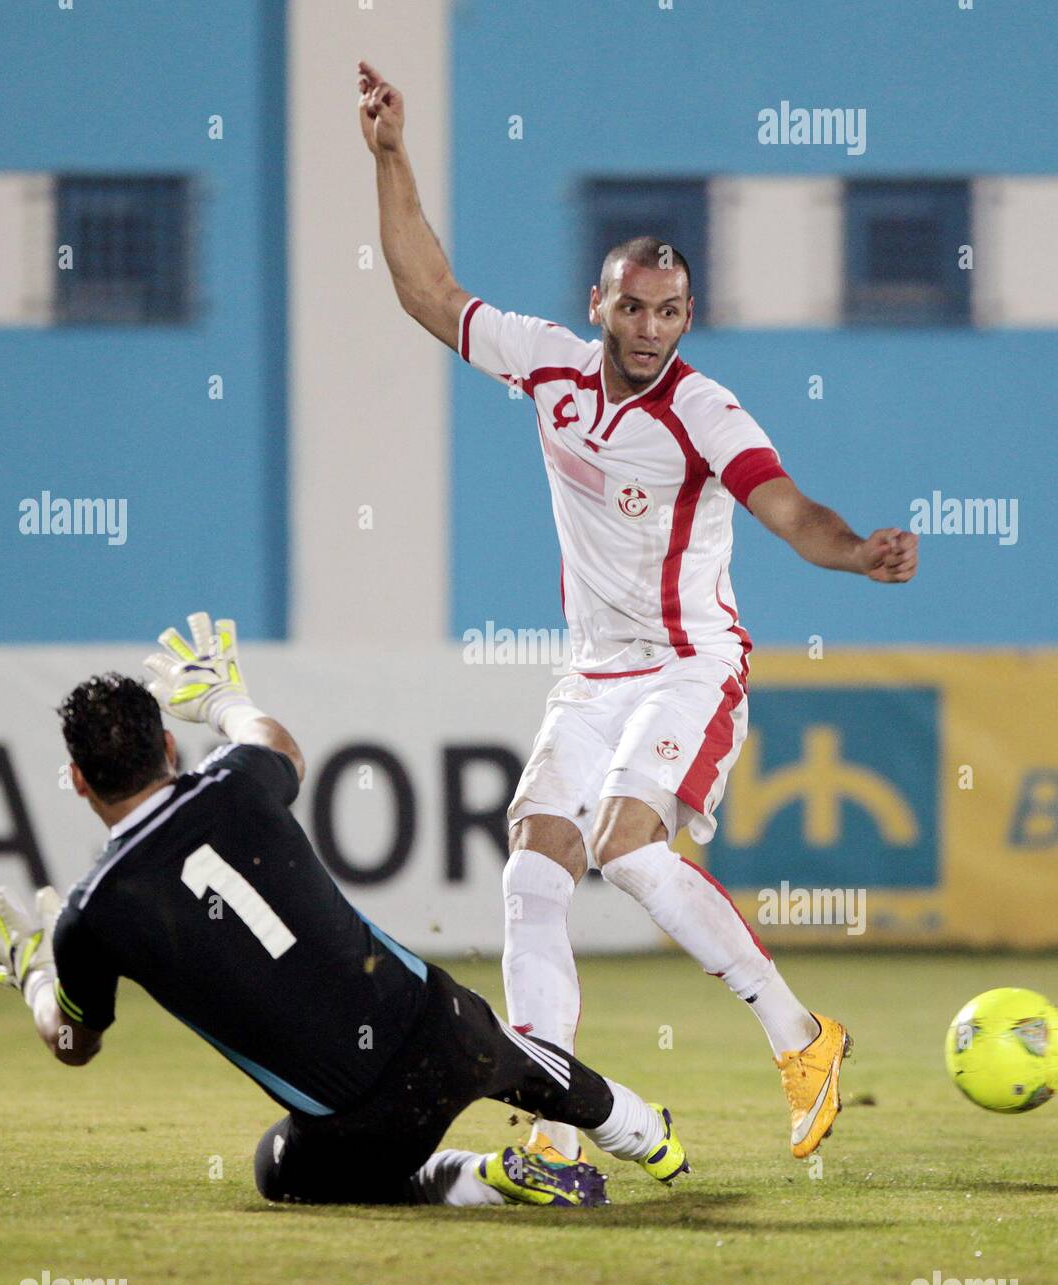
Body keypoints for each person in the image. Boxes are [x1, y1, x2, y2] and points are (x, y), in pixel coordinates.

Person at [359, 59, 919, 1164]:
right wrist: (388, 154)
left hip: (689, 664)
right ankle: (555, 1124)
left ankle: (799, 1035)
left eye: (670, 311)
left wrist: (854, 555)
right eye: (634, 307)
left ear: (686, 313)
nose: (652, 327)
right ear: (599, 304)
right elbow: (428, 291)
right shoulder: (553, 370)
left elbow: (785, 506)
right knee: (530, 865)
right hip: (592, 673)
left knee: (627, 849)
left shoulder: (703, 408)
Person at [0, 613, 691, 1208]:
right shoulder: (235, 782)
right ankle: (641, 1131)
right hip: (445, 1037)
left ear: (77, 780)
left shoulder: (92, 914)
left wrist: (38, 973)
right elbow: (279, 747)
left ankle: (482, 1178)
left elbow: (73, 1045)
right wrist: (224, 699)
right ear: (168, 743)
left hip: (359, 1127)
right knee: (500, 1046)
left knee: (278, 1171)